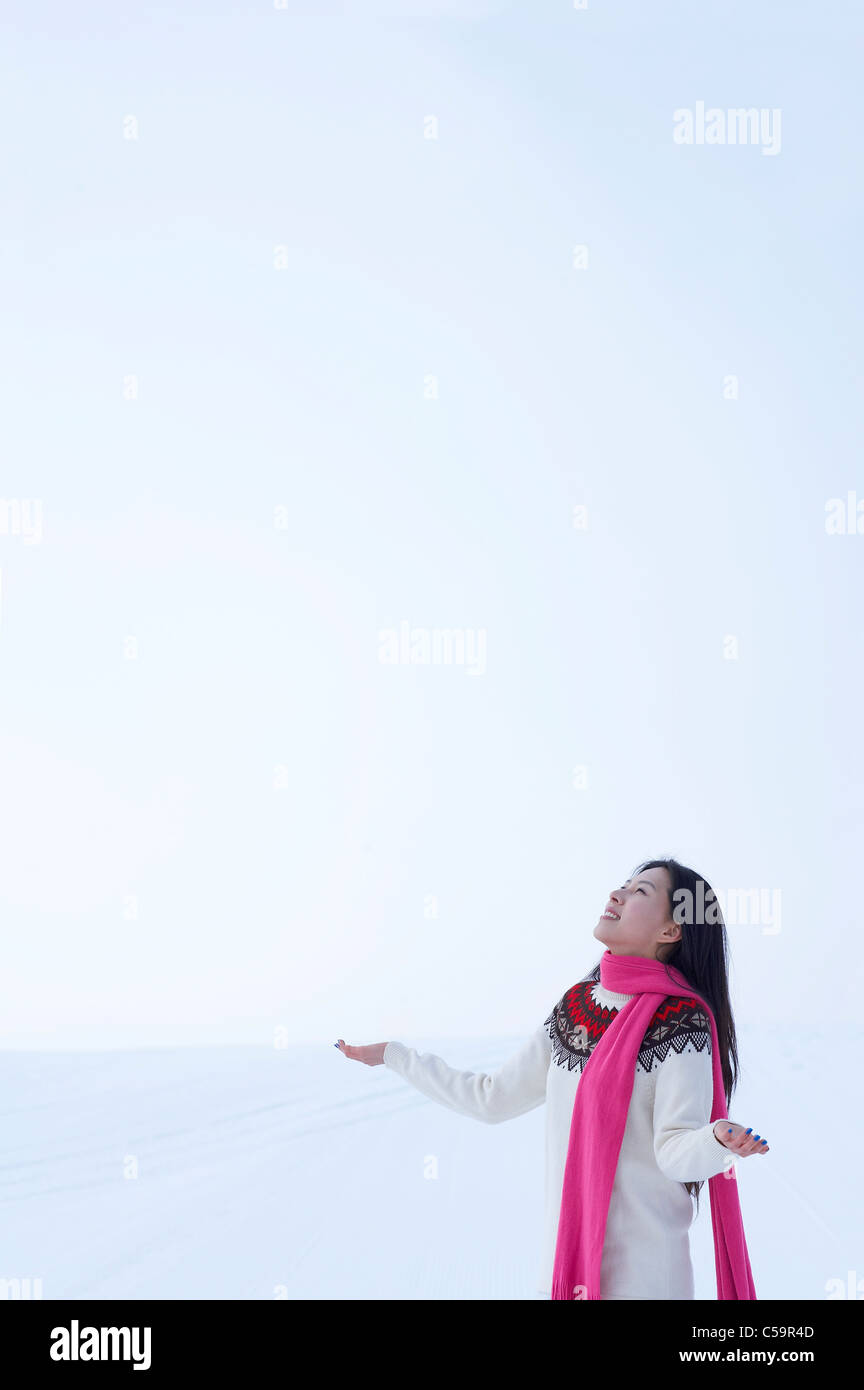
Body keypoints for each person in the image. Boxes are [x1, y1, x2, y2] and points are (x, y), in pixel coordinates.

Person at [337, 857, 768, 1299]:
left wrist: (717, 1140)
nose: (617, 894)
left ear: (671, 931)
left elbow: (675, 1150)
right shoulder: (576, 1007)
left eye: (640, 892)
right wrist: (396, 1056)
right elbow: (492, 1099)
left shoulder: (682, 1021)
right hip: (564, 1275)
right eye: (623, 884)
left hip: (647, 1280)